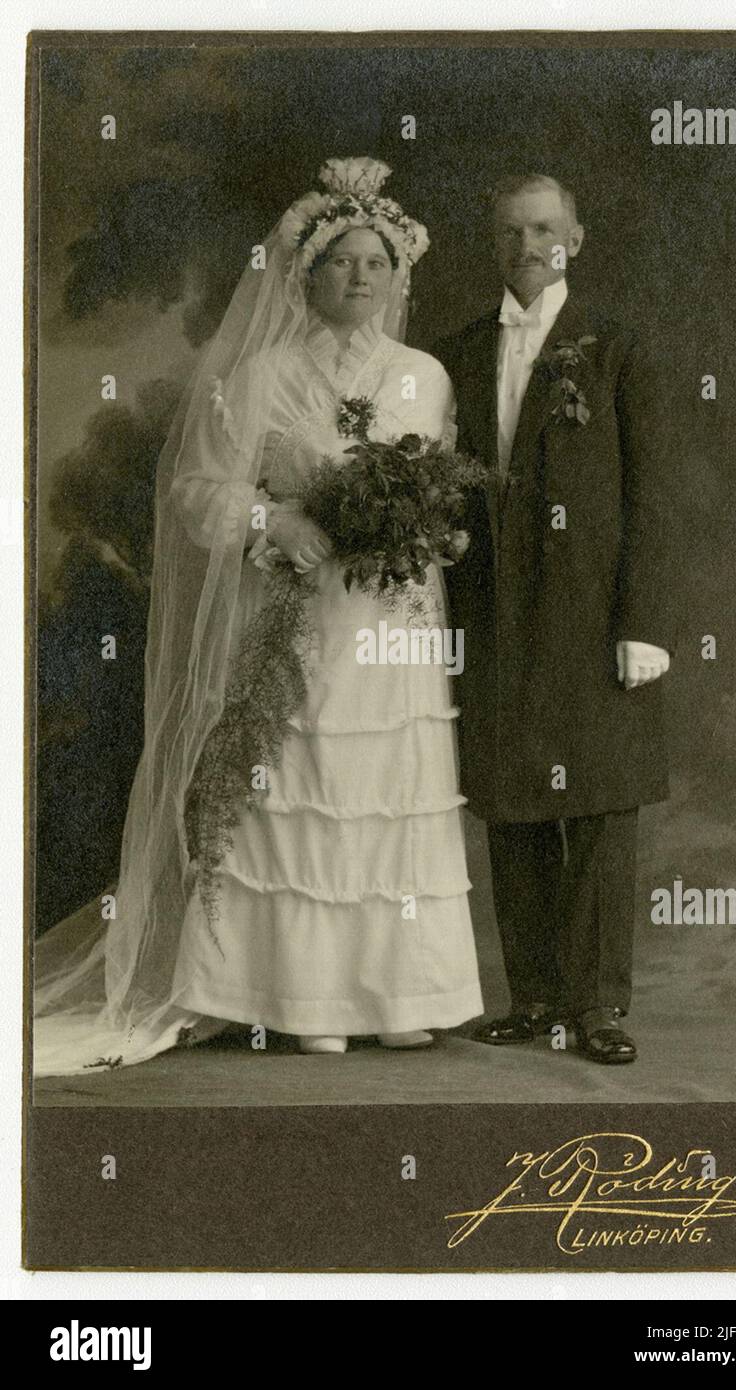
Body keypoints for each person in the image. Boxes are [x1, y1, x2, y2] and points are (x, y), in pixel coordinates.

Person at [34, 157, 483, 1075]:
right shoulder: (259, 376)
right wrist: (270, 518)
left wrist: (422, 526)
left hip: (393, 621)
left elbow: (439, 490)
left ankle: (397, 993)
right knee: (301, 780)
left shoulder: (424, 376)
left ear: (396, 276)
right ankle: (300, 995)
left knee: (388, 789)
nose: (358, 278)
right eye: (339, 262)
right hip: (295, 612)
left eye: (374, 263)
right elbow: (197, 491)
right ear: (304, 276)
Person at [436, 173, 675, 1065]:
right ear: (492, 245)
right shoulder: (456, 353)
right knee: (514, 805)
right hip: (495, 615)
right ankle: (533, 997)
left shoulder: (618, 347)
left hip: (593, 616)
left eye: (543, 228)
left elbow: (653, 496)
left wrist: (642, 625)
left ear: (576, 234)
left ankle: (598, 1007)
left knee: (602, 809)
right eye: (507, 232)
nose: (526, 245)